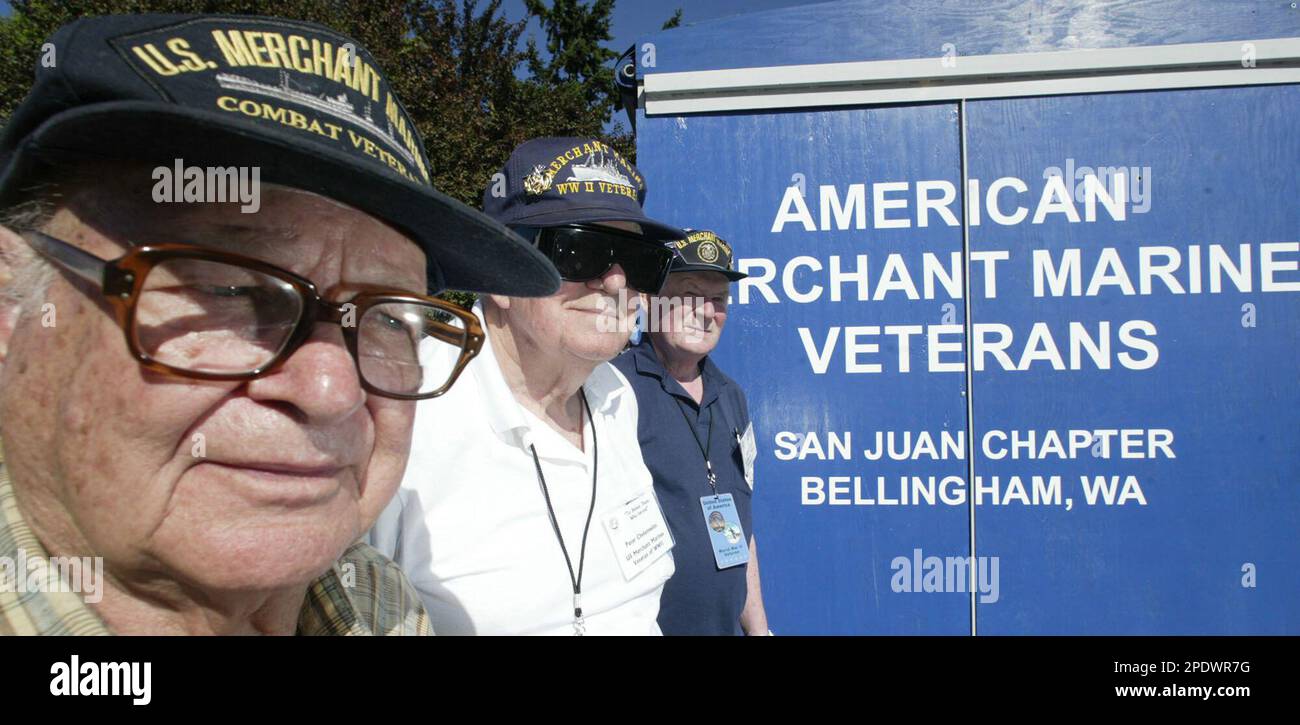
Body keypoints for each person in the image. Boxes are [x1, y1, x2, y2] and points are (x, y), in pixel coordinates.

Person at [0, 14, 558, 636]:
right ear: (11, 302)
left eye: (388, 320)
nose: (332, 392)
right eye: (229, 289)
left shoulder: (379, 602)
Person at [370, 137, 684, 635]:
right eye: (581, 251)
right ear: (501, 273)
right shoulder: (404, 413)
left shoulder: (616, 397)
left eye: (640, 259)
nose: (618, 283)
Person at [612, 229, 770, 635]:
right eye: (689, 294)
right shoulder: (612, 390)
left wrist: (760, 631)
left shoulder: (731, 396)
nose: (705, 312)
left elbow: (741, 529)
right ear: (649, 299)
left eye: (718, 300)